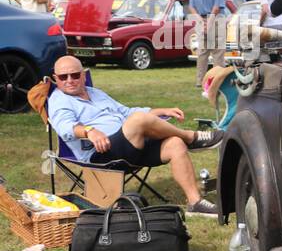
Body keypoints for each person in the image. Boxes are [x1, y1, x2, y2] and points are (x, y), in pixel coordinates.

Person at [46, 56, 223, 215]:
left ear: (83, 75)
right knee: (138, 120)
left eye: (75, 75)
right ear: (55, 78)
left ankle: (195, 202)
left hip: (130, 146)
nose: (69, 80)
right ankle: (192, 138)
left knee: (175, 143)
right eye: (63, 77)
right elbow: (65, 127)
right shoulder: (59, 100)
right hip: (102, 155)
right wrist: (89, 131)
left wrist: (161, 111)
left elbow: (126, 112)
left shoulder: (95, 93)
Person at [189, 0, 226, 88]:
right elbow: (216, 8)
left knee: (202, 53)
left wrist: (201, 21)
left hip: (200, 19)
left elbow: (191, 7)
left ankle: (200, 81)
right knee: (218, 53)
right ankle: (217, 81)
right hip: (215, 21)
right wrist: (209, 23)